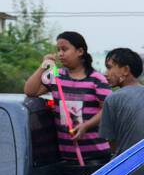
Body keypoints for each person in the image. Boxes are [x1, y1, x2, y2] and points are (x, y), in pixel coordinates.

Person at [21, 31, 112, 166]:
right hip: (66, 156)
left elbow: (108, 109)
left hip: (95, 156)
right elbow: (30, 91)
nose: (60, 54)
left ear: (80, 51)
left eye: (65, 49)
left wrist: (86, 126)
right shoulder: (57, 74)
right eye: (58, 50)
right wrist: (44, 66)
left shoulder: (97, 79)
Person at [70, 48, 144, 155]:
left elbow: (112, 143)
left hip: (127, 166)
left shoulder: (113, 99)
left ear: (125, 70)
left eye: (109, 68)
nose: (105, 73)